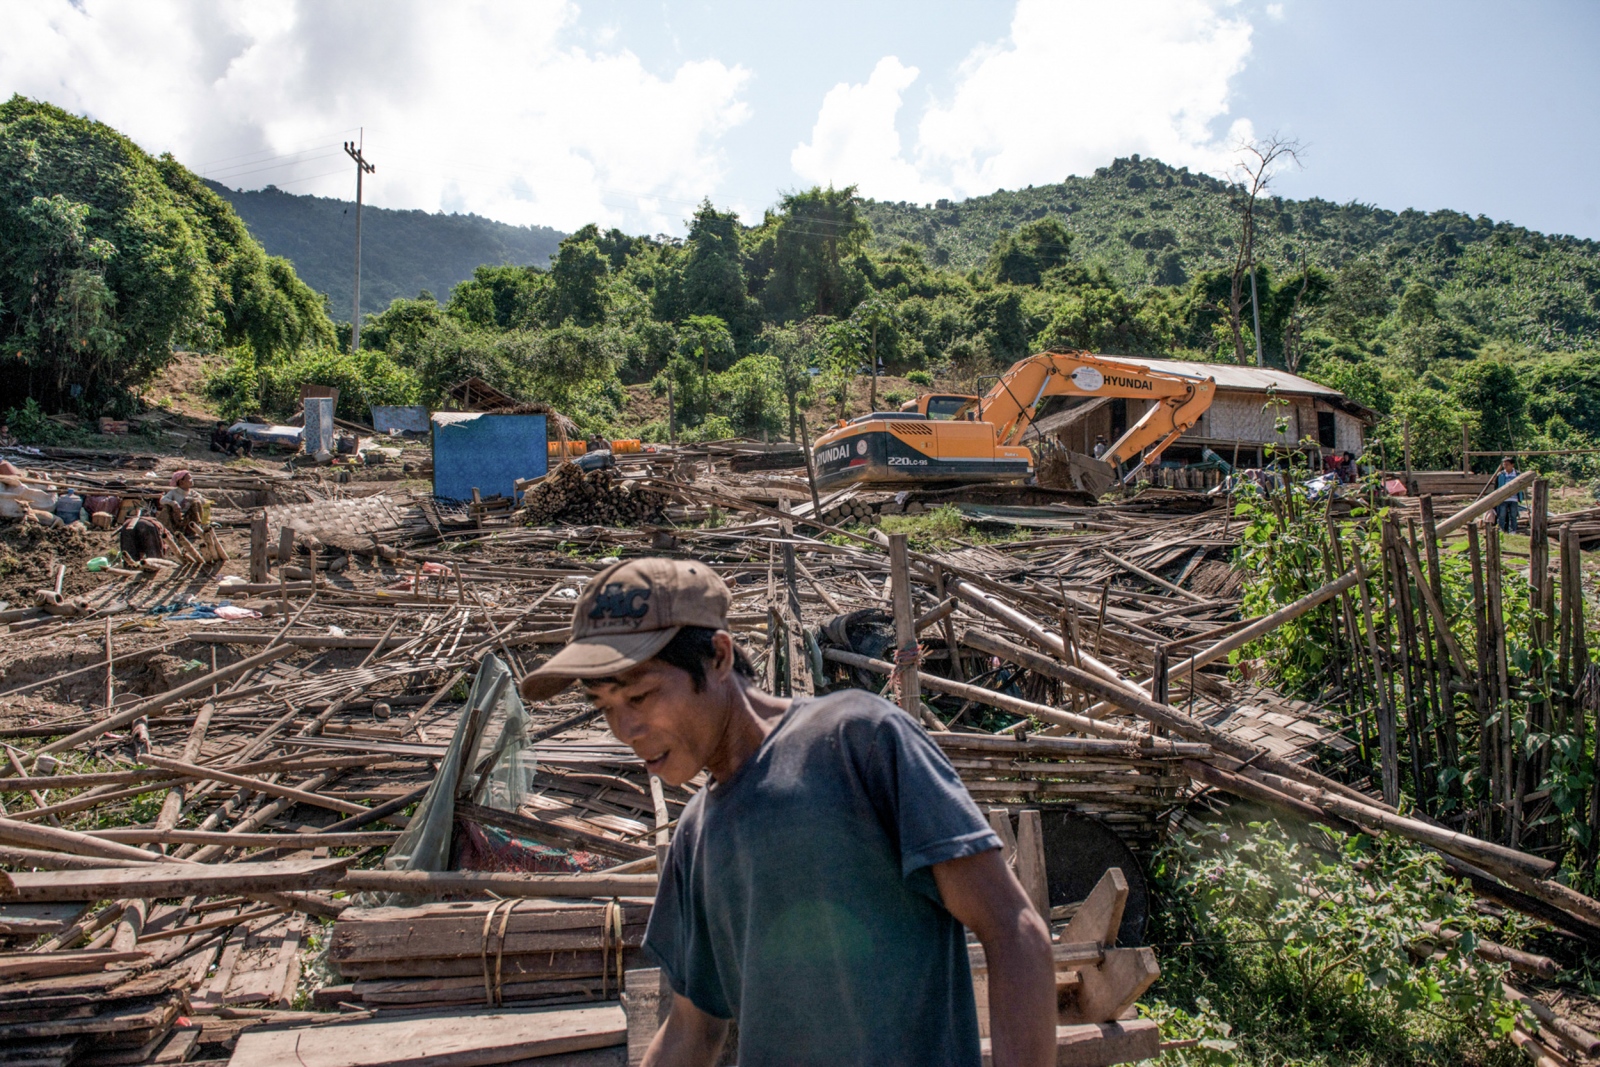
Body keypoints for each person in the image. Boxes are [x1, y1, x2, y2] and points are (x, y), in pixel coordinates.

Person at [518, 559, 1055, 1067]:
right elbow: (692, 1028)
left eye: (640, 696)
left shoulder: (856, 740)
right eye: (606, 708)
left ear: (720, 658)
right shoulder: (697, 833)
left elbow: (1013, 931)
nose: (626, 731)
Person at [158, 470, 204, 535]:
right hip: (175, 518)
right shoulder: (174, 492)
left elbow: (203, 501)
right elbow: (162, 500)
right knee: (167, 506)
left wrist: (190, 499)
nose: (191, 480)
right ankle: (168, 530)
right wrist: (173, 503)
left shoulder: (193, 493)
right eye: (189, 479)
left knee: (197, 503)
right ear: (181, 482)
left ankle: (194, 530)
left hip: (188, 520)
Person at [1494, 456, 1523, 533]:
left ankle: (1513, 530)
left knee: (1513, 516)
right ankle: (1500, 530)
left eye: (1507, 464)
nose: (1505, 466)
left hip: (1514, 498)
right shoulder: (1501, 474)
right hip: (1503, 498)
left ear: (1512, 465)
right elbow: (1496, 487)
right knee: (1501, 515)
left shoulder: (1517, 474)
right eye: (1504, 464)